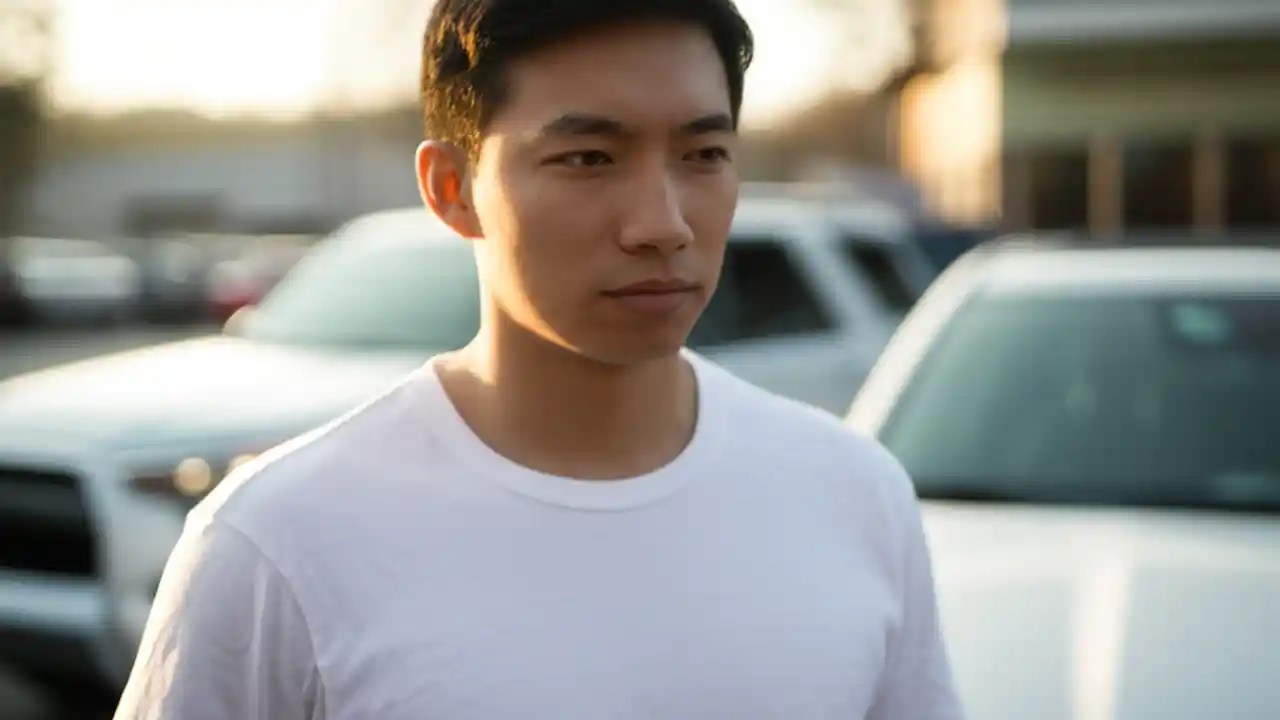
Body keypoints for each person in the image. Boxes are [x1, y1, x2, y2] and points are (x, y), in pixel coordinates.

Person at [113, 1, 964, 717]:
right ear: (452, 189)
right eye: (588, 158)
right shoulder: (280, 541)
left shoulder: (852, 494)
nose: (662, 222)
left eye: (703, 154)